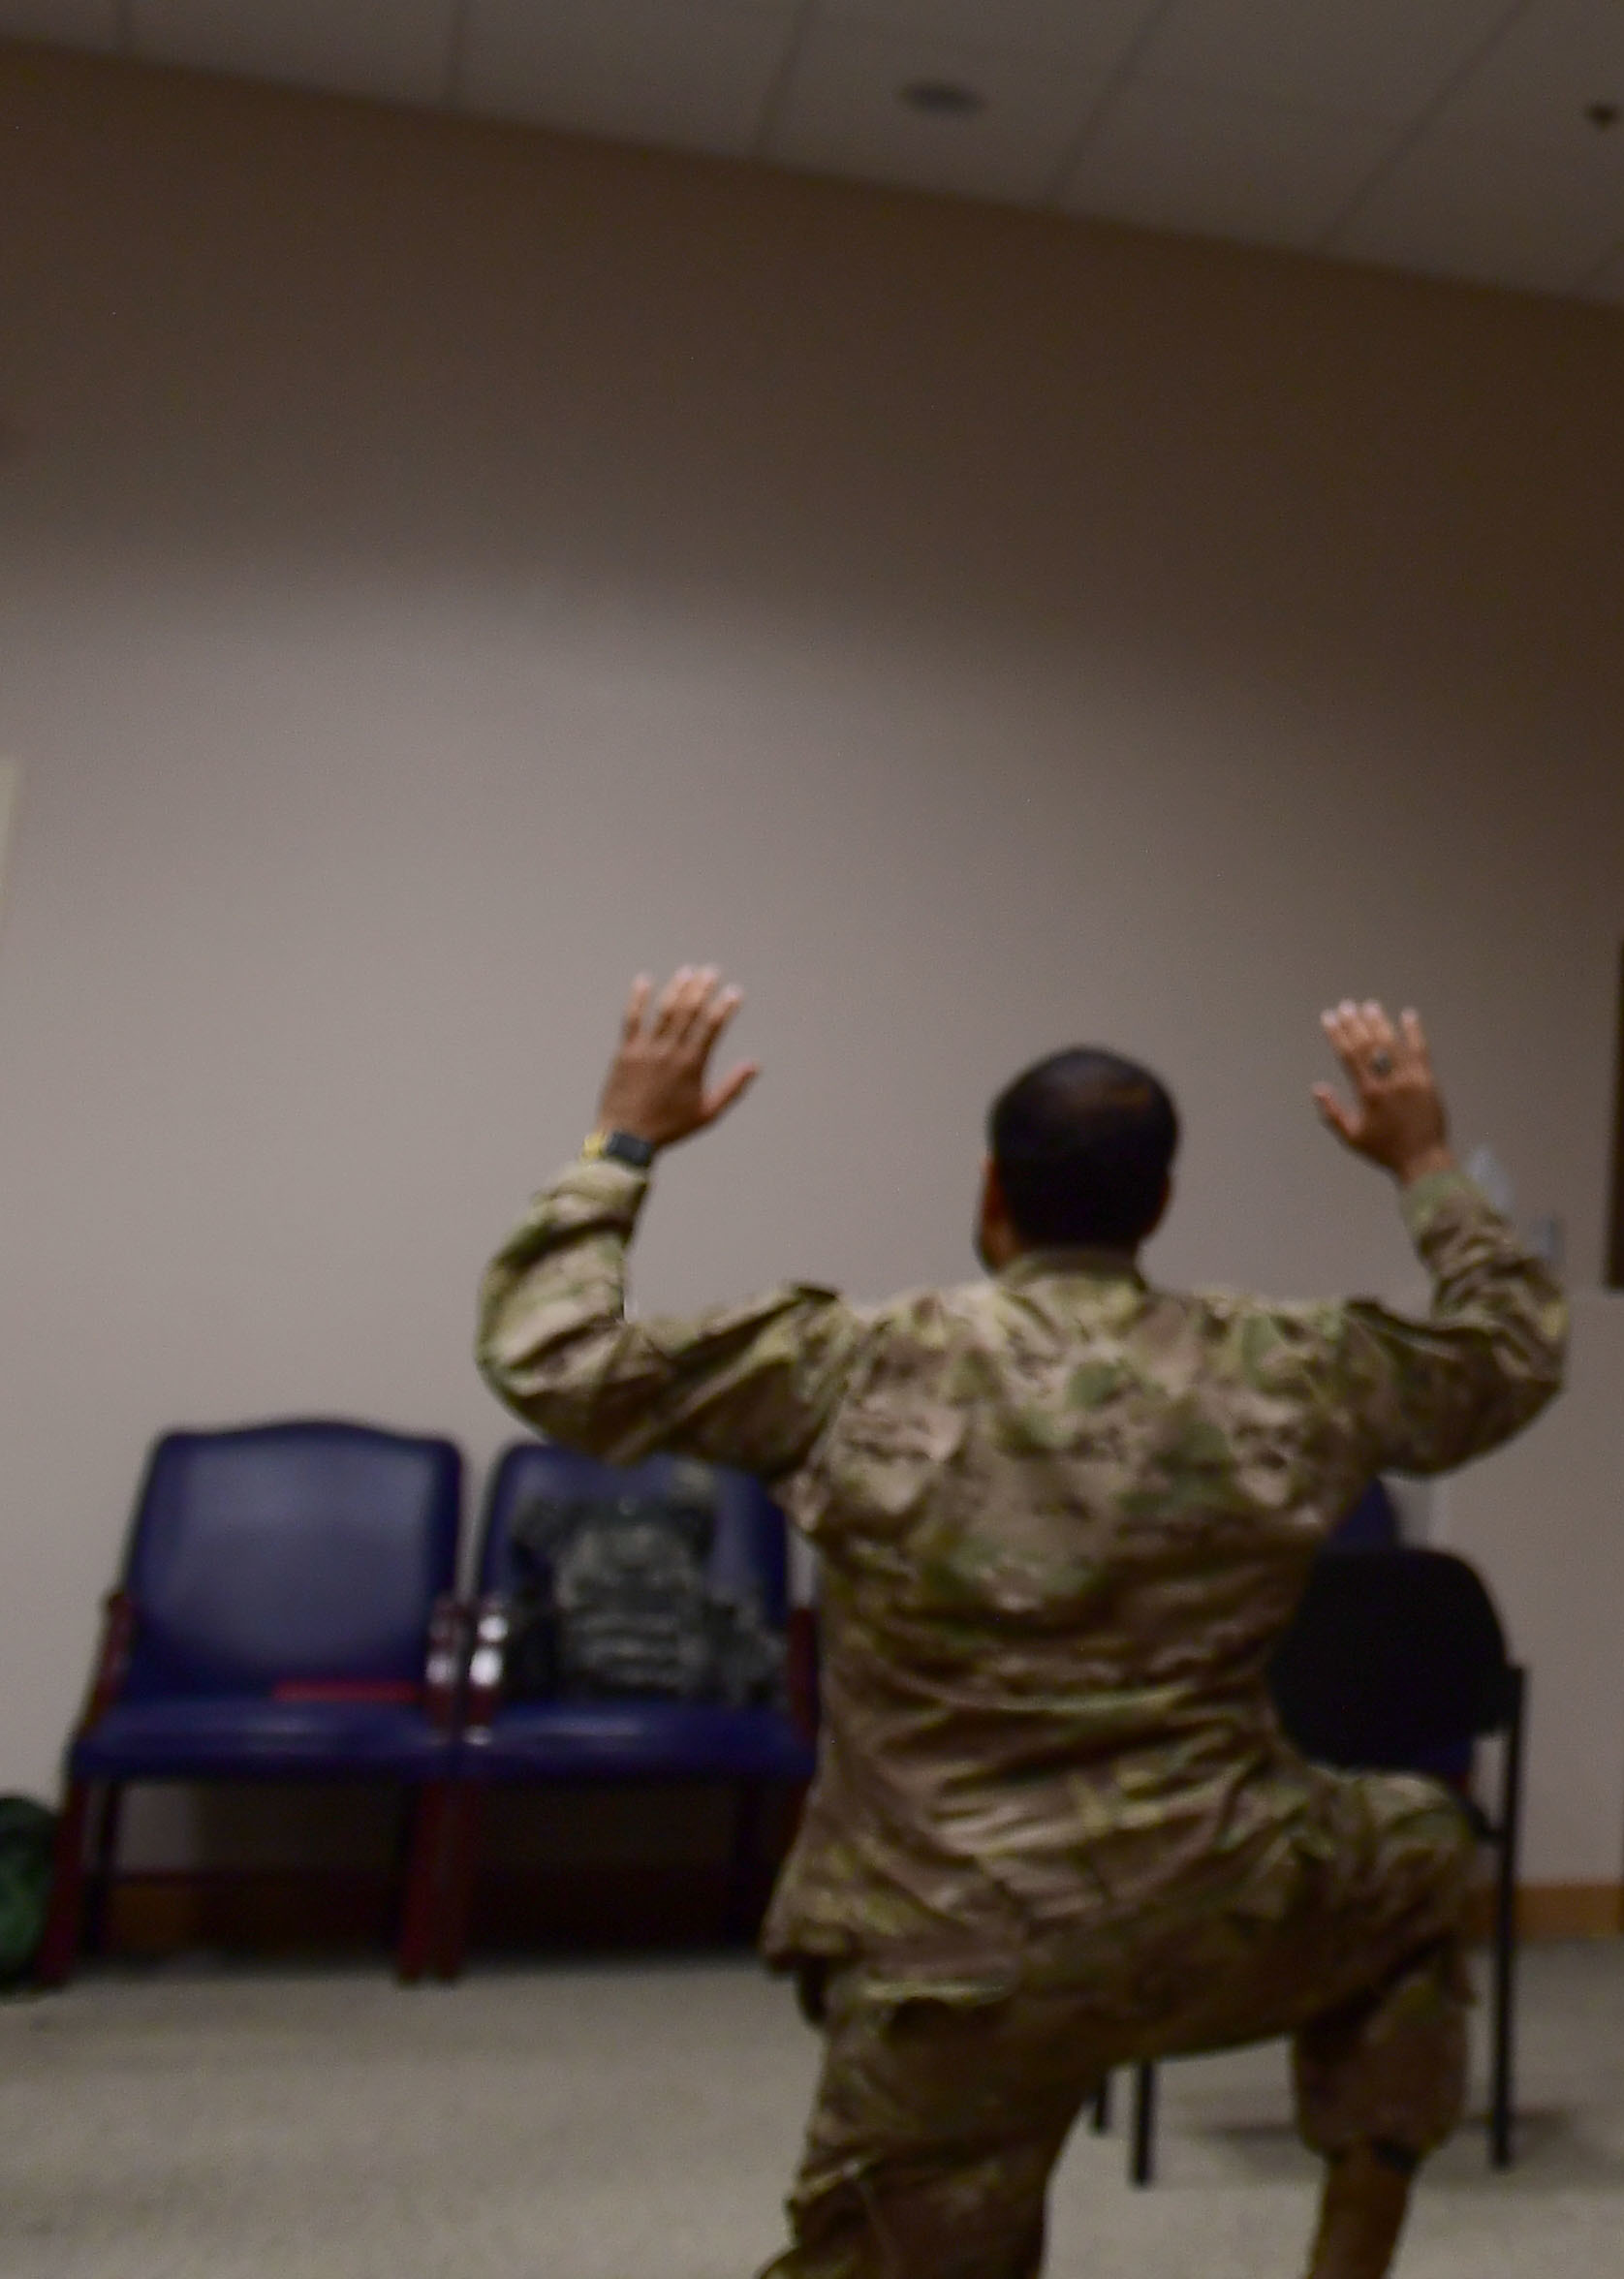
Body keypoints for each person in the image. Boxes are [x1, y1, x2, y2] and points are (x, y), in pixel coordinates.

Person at [478, 968, 1566, 2279]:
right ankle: (1350, 2249)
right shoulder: (1293, 1368)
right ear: (1160, 1204)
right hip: (1214, 1913)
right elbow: (1513, 1348)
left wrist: (623, 1141)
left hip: (952, 1960)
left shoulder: (850, 1367)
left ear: (992, 1192)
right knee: (1421, 1850)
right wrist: (1426, 1162)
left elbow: (550, 1356)